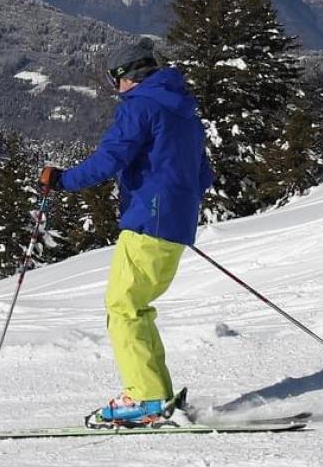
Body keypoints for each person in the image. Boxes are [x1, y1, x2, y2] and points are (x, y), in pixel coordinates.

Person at [40, 38, 213, 427]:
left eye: (114, 79)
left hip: (147, 220)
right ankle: (158, 394)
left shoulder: (141, 106)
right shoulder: (184, 109)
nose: (114, 88)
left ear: (129, 75)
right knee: (137, 307)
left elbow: (109, 159)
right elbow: (202, 173)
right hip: (173, 221)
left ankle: (146, 397)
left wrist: (62, 181)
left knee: (122, 307)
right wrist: (174, 208)